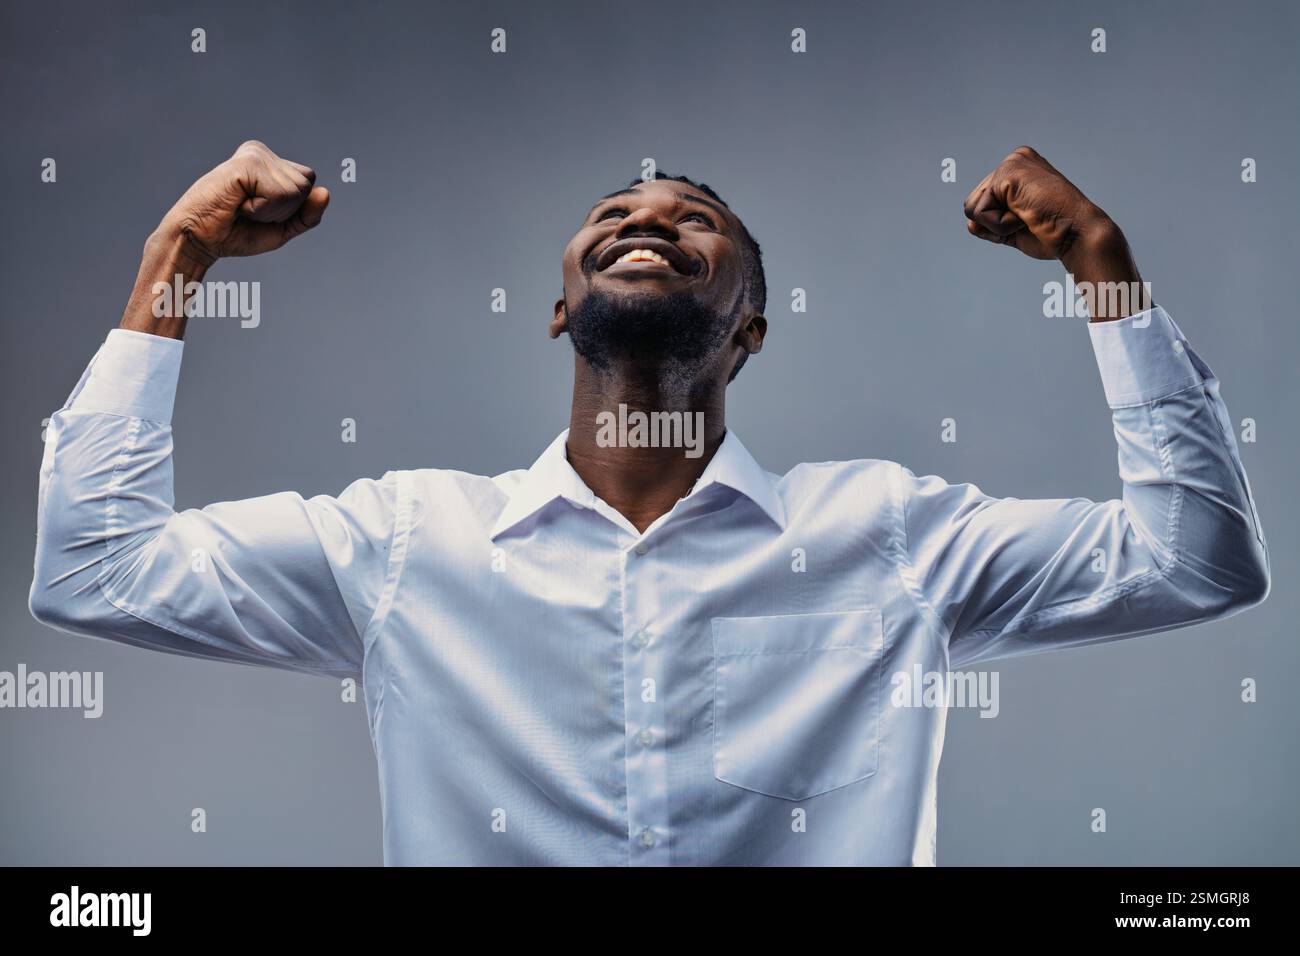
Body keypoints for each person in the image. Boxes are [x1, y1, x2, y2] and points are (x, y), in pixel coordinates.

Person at [29, 141, 1269, 865]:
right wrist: (176, 254)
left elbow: (1195, 557)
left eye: (695, 223)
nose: (646, 223)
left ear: (752, 328)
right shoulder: (406, 542)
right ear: (564, 307)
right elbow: (94, 569)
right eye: (613, 217)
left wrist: (1100, 264)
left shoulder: (892, 537)